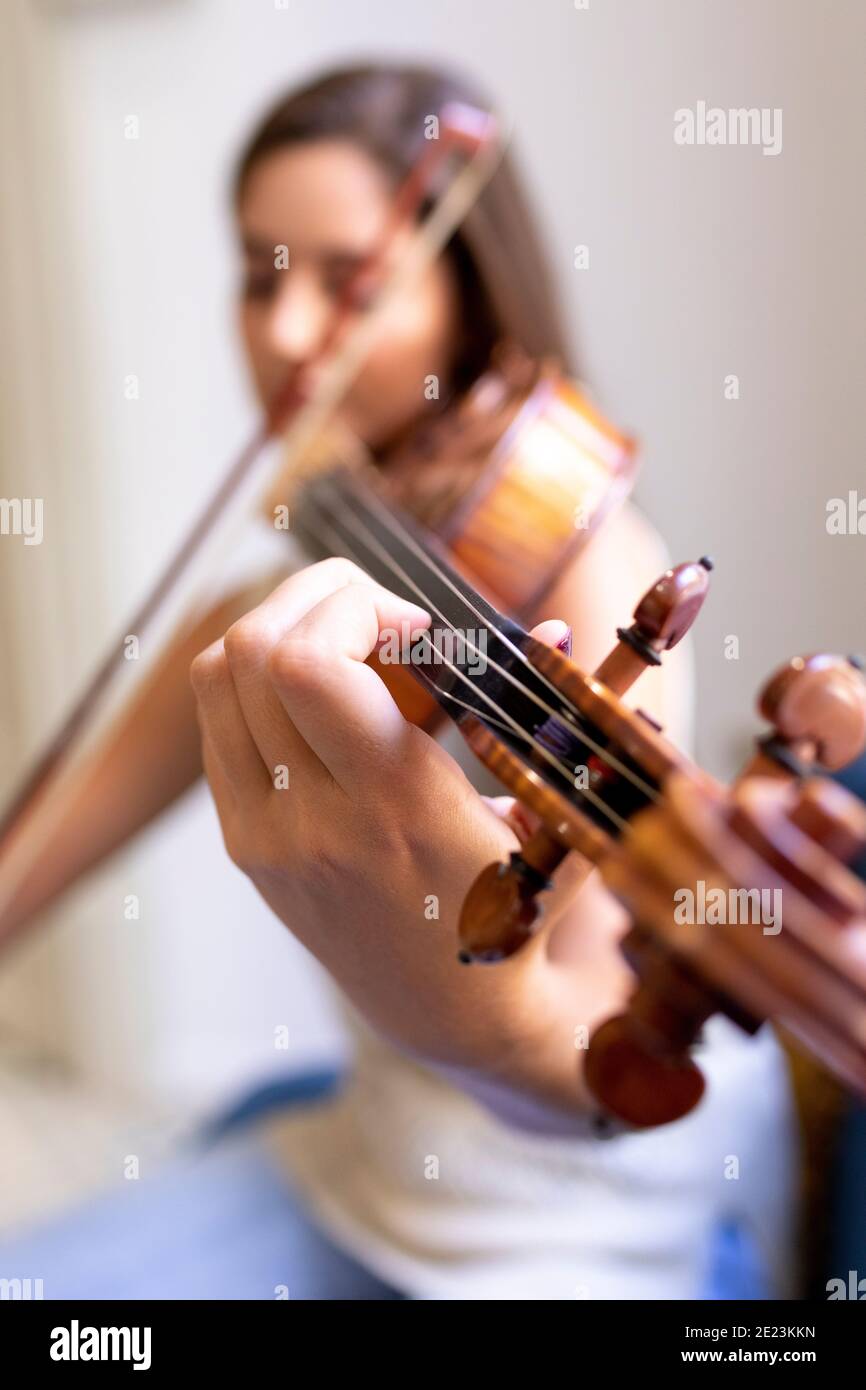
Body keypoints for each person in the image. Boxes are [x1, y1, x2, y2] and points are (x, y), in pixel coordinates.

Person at [0, 64, 797, 1300]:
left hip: (558, 1230)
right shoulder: (288, 600)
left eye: (349, 281)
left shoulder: (596, 575)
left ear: (464, 286)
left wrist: (451, 1008)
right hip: (372, 1169)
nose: (283, 333)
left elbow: (592, 1033)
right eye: (258, 273)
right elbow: (41, 849)